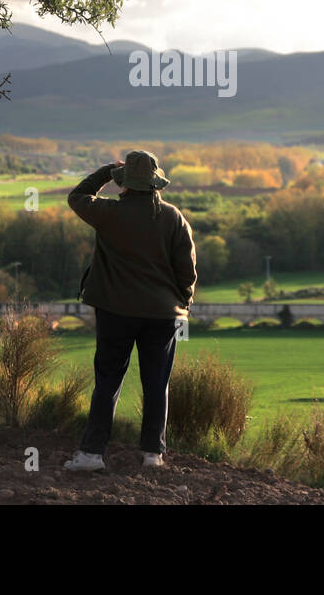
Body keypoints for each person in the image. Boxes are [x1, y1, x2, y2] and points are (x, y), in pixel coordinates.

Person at [63, 150, 197, 471]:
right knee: (156, 383)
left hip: (115, 312)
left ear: (125, 184)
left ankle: (92, 455)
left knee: (107, 380)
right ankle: (153, 454)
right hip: (163, 315)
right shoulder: (173, 217)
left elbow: (77, 196)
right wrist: (182, 301)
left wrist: (108, 171)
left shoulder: (108, 213)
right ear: (155, 183)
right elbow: (187, 271)